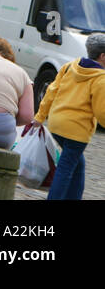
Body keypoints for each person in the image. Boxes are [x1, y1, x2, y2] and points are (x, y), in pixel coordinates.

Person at [32, 32, 105, 200]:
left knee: (78, 164)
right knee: (65, 168)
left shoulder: (70, 66)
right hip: (77, 131)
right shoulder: (101, 79)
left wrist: (40, 116)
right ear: (102, 56)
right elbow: (101, 112)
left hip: (57, 124)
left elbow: (51, 91)